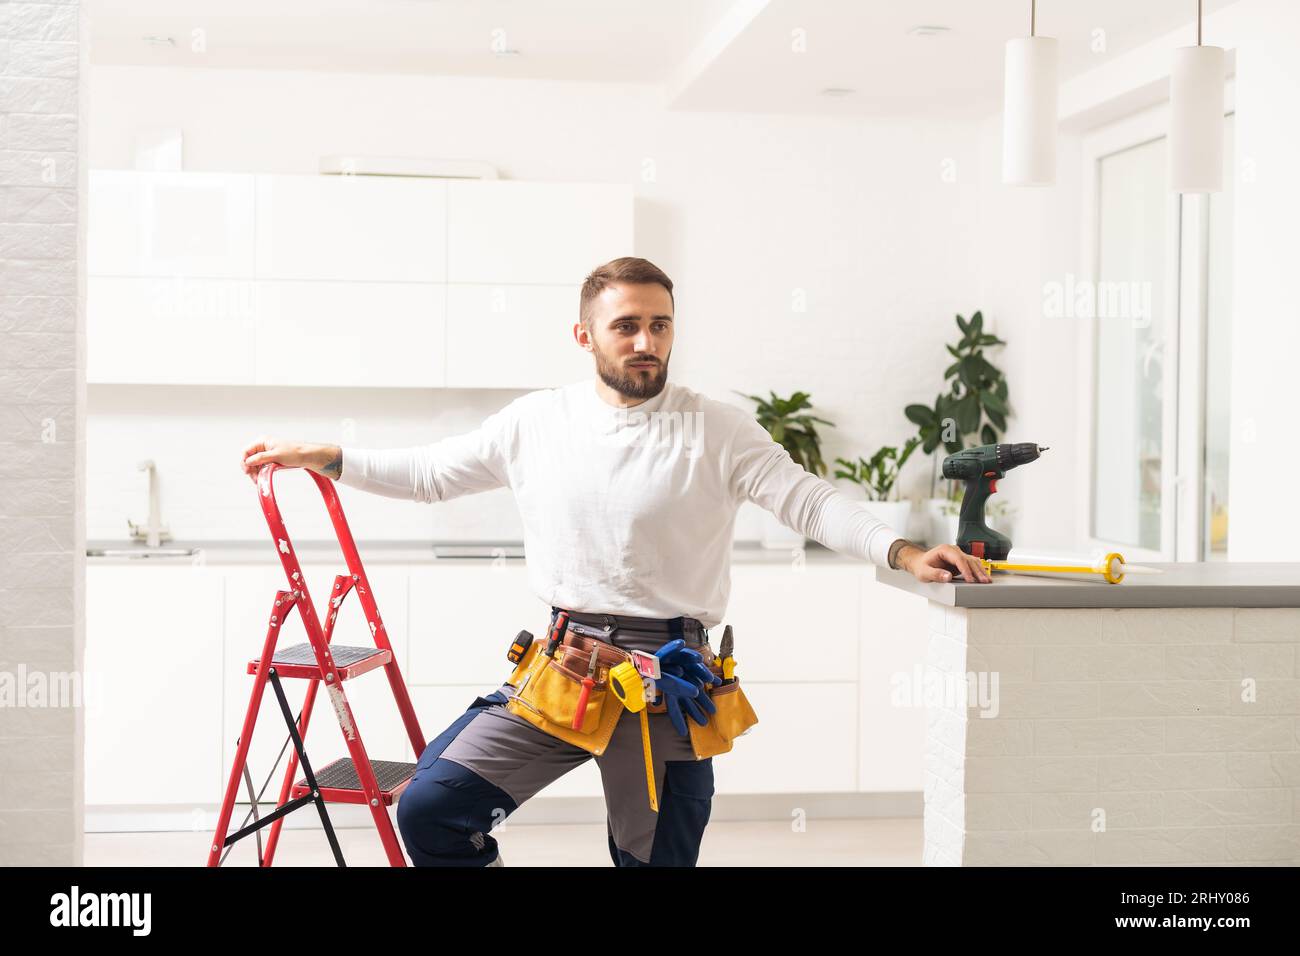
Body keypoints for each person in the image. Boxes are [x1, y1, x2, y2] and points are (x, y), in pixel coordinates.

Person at [239, 256, 990, 866]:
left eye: (659, 325)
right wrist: (328, 456)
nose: (645, 341)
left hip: (670, 684)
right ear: (584, 334)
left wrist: (903, 551)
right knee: (432, 810)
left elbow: (809, 501)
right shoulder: (539, 421)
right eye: (626, 325)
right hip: (563, 670)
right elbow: (432, 474)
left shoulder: (717, 428)